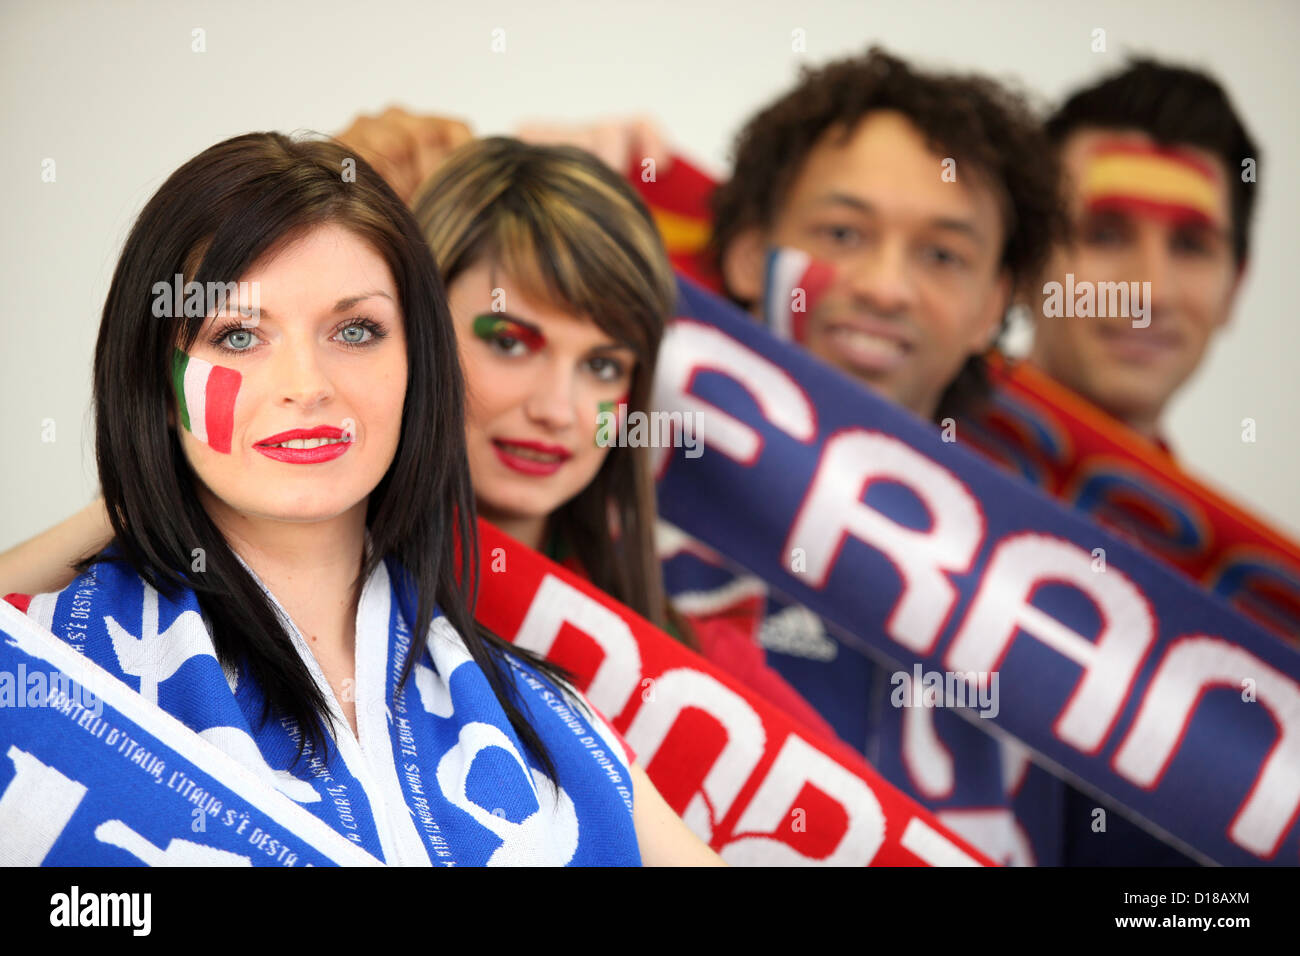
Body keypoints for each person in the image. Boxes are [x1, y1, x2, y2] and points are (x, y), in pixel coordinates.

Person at [4, 131, 721, 866]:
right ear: (152, 379)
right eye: (240, 335)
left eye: (356, 330)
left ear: (420, 365)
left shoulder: (555, 720)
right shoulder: (36, 665)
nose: (307, 384)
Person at [1029, 57, 1259, 448]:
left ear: (1234, 289)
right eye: (1104, 236)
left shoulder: (1196, 512)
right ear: (1023, 260)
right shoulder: (907, 454)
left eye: (1191, 246)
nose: (1150, 294)